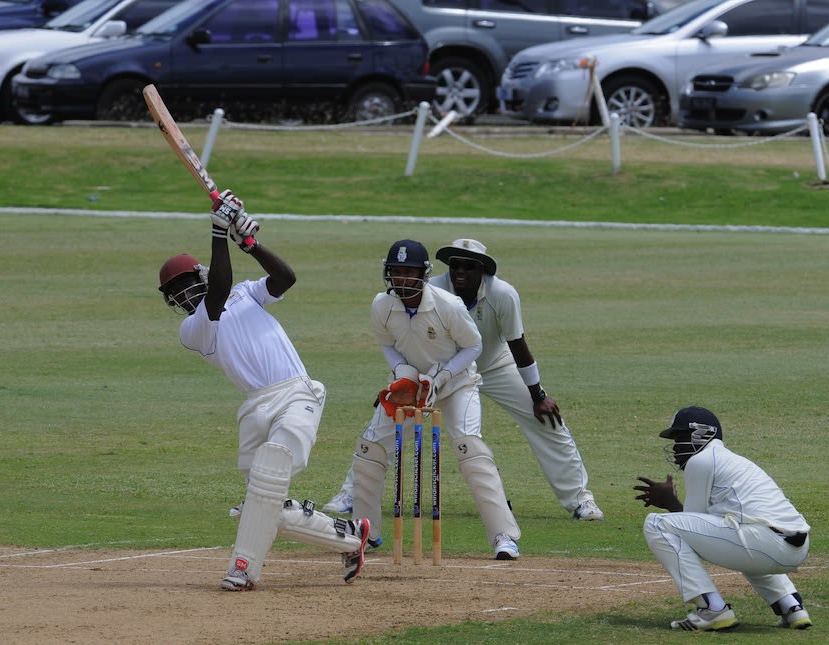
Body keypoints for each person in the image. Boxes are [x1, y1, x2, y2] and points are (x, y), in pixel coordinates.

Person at [157, 189, 369, 591]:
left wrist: (249, 243)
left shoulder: (244, 293)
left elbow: (284, 278)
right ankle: (349, 536)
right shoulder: (194, 329)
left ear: (199, 276)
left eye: (188, 283)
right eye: (176, 291)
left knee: (268, 481)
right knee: (262, 500)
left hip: (296, 392)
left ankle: (243, 568)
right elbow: (217, 292)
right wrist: (219, 233)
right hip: (255, 406)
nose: (185, 293)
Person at [323, 238, 603, 521]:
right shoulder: (428, 288)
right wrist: (399, 381)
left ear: (483, 270)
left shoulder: (502, 294)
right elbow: (404, 341)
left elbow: (518, 343)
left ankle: (580, 500)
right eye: (455, 265)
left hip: (494, 364)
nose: (460, 271)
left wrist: (538, 395)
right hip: (434, 373)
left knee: (546, 420)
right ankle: (351, 494)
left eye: (469, 266)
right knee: (384, 424)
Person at [347, 239, 521, 559]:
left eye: (408, 272)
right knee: (369, 449)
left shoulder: (447, 305)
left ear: (423, 273)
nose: (401, 279)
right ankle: (365, 529)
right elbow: (388, 345)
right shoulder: (381, 305)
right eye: (395, 272)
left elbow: (473, 346)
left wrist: (441, 377)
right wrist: (403, 372)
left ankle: (503, 536)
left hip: (456, 387)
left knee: (470, 448)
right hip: (409, 387)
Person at [633, 406, 812, 631]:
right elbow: (702, 527)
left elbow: (691, 521)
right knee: (739, 536)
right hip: (795, 547)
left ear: (702, 433)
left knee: (656, 524)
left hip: (765, 543)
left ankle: (713, 610)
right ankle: (792, 607)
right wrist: (673, 504)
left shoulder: (702, 460)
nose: (676, 447)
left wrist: (670, 503)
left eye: (681, 437)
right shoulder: (732, 461)